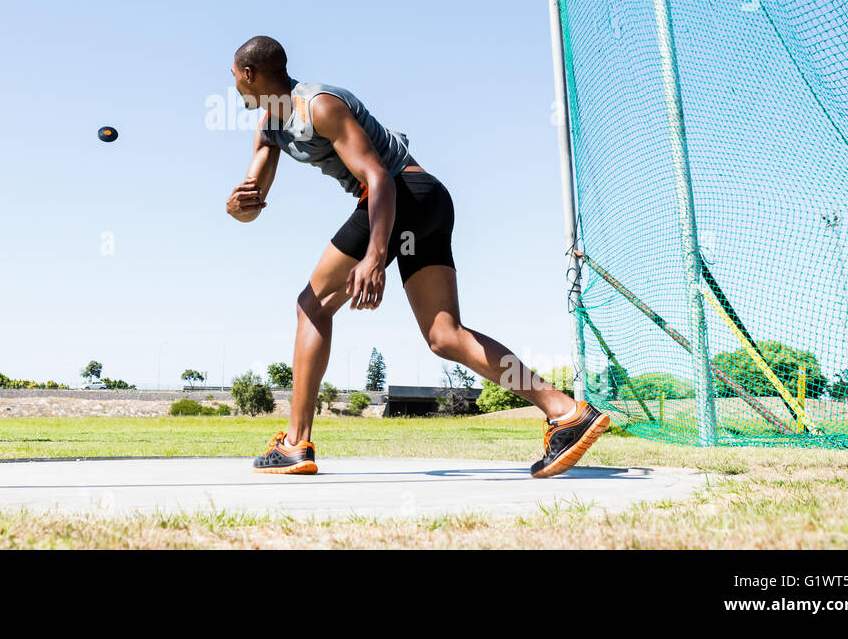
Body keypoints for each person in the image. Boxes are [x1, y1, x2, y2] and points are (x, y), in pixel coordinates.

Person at [225, 35, 609, 477]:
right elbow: (251, 201)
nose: (233, 85)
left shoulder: (319, 106)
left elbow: (378, 176)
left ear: (250, 74)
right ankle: (565, 411)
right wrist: (237, 208)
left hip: (400, 193)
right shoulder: (269, 129)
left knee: (311, 306)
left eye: (234, 76)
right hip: (424, 201)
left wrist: (374, 255)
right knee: (445, 335)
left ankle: (295, 444)